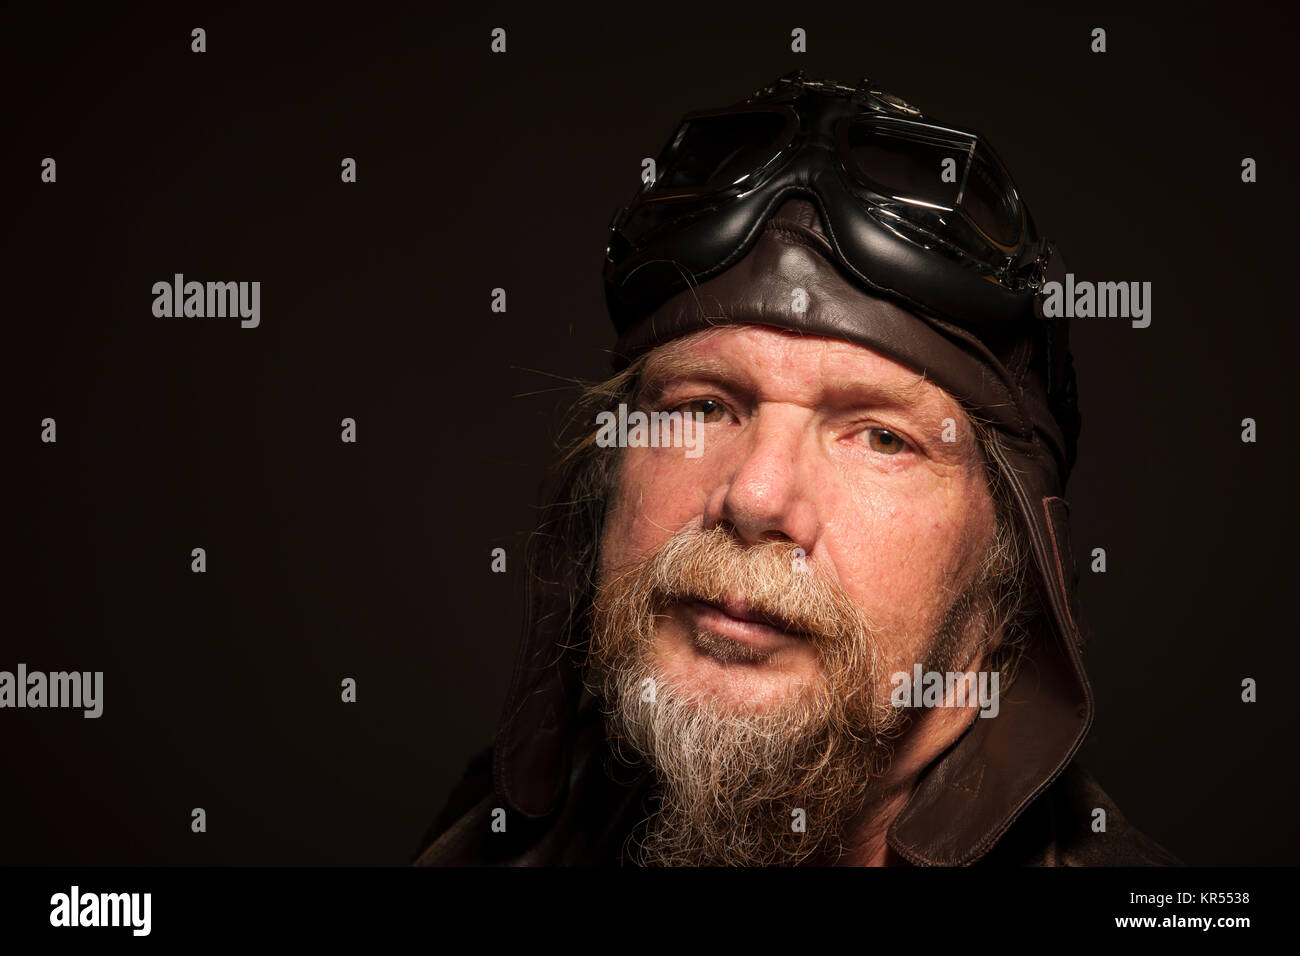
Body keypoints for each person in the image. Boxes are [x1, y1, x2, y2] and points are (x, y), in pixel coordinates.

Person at [415, 70, 1179, 866]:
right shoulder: (480, 841)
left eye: (882, 438)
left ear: (1006, 588)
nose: (754, 495)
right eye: (702, 408)